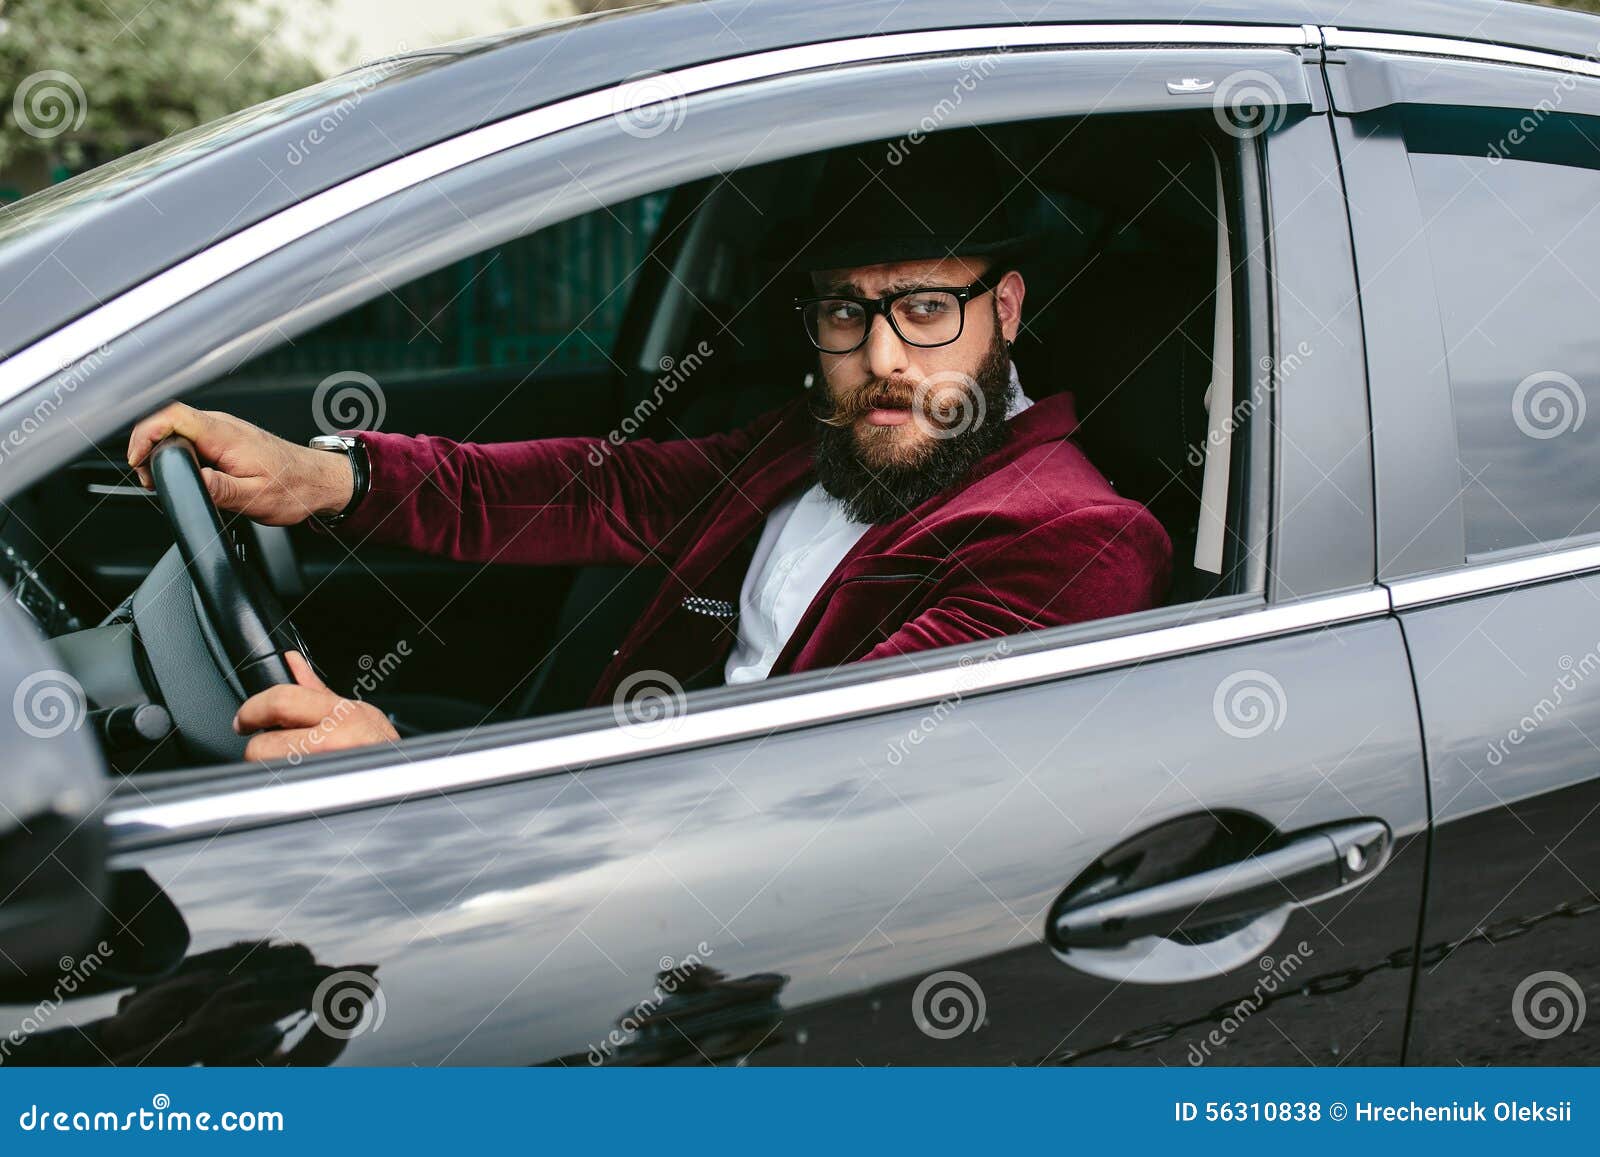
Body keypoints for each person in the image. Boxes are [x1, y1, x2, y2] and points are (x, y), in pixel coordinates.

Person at [126, 134, 1172, 762]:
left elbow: (820, 784)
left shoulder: (1070, 539)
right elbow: (598, 490)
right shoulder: (821, 443)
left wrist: (407, 784)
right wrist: (329, 474)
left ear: (1010, 309)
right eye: (844, 312)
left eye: (929, 307)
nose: (884, 355)